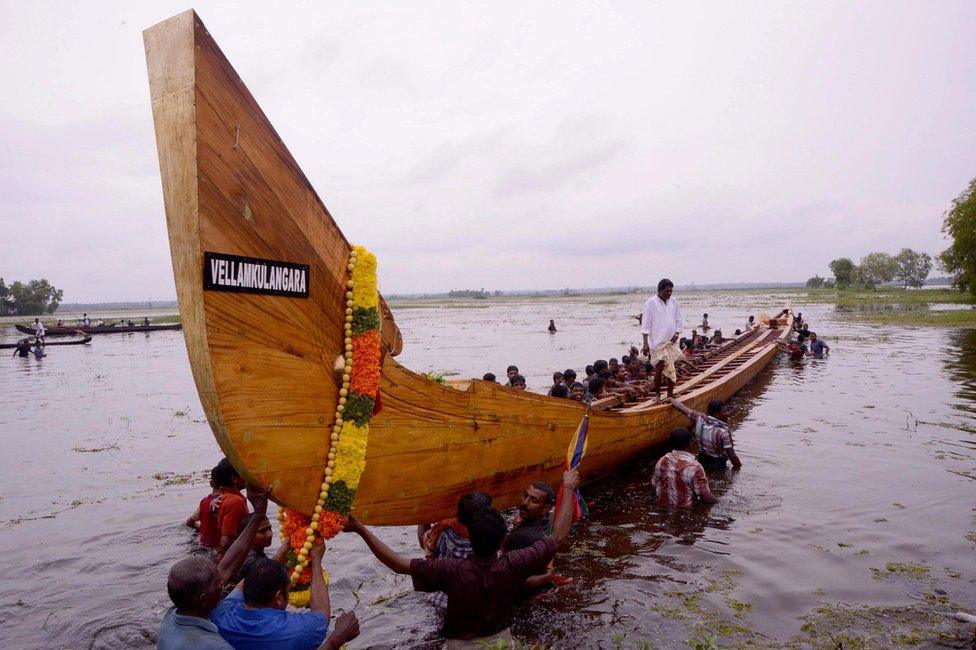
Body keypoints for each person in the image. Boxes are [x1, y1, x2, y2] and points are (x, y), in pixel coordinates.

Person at [344, 468, 580, 647]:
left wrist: (361, 529)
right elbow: (558, 538)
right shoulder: (512, 562)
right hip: (501, 642)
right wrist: (568, 487)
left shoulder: (451, 570)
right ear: (501, 542)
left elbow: (396, 563)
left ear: (471, 538)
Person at [159, 486, 280, 649]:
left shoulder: (172, 616)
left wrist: (258, 515)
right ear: (203, 600)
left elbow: (225, 569)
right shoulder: (216, 646)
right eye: (218, 583)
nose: (223, 583)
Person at [210, 540, 358, 650]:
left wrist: (284, 548)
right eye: (288, 589)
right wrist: (316, 562)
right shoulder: (298, 631)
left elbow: (242, 585)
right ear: (279, 597)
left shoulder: (219, 615)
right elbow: (321, 613)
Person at [668, 398, 742, 470]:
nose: (727, 414)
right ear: (717, 414)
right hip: (718, 463)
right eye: (724, 411)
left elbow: (683, 408)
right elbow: (732, 455)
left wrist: (671, 399)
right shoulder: (723, 432)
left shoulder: (700, 418)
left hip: (702, 458)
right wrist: (738, 468)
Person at [652, 428, 718, 508]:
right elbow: (705, 497)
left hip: (663, 509)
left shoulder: (662, 461)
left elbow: (655, 486)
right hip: (685, 512)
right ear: (690, 444)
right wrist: (721, 503)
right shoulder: (695, 467)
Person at [641, 278, 683, 401]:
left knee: (671, 367)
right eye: (667, 291)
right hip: (657, 342)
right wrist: (645, 344)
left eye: (671, 291)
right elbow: (646, 325)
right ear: (659, 290)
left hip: (671, 342)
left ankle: (670, 393)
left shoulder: (673, 302)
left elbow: (678, 319)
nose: (669, 294)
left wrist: (677, 333)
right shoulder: (650, 303)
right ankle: (657, 394)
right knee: (659, 369)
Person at [503, 481, 554, 552]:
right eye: (525, 495)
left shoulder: (521, 537)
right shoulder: (551, 518)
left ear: (546, 508)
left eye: (534, 500)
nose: (525, 502)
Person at [212, 459, 248, 557]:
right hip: (237, 558)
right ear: (234, 478)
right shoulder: (235, 501)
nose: (246, 475)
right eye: (243, 473)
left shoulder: (224, 497)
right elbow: (226, 542)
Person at [187, 467, 221, 547]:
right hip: (218, 547)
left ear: (211, 484)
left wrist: (202, 527)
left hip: (203, 544)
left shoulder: (204, 502)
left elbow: (189, 522)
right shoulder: (227, 501)